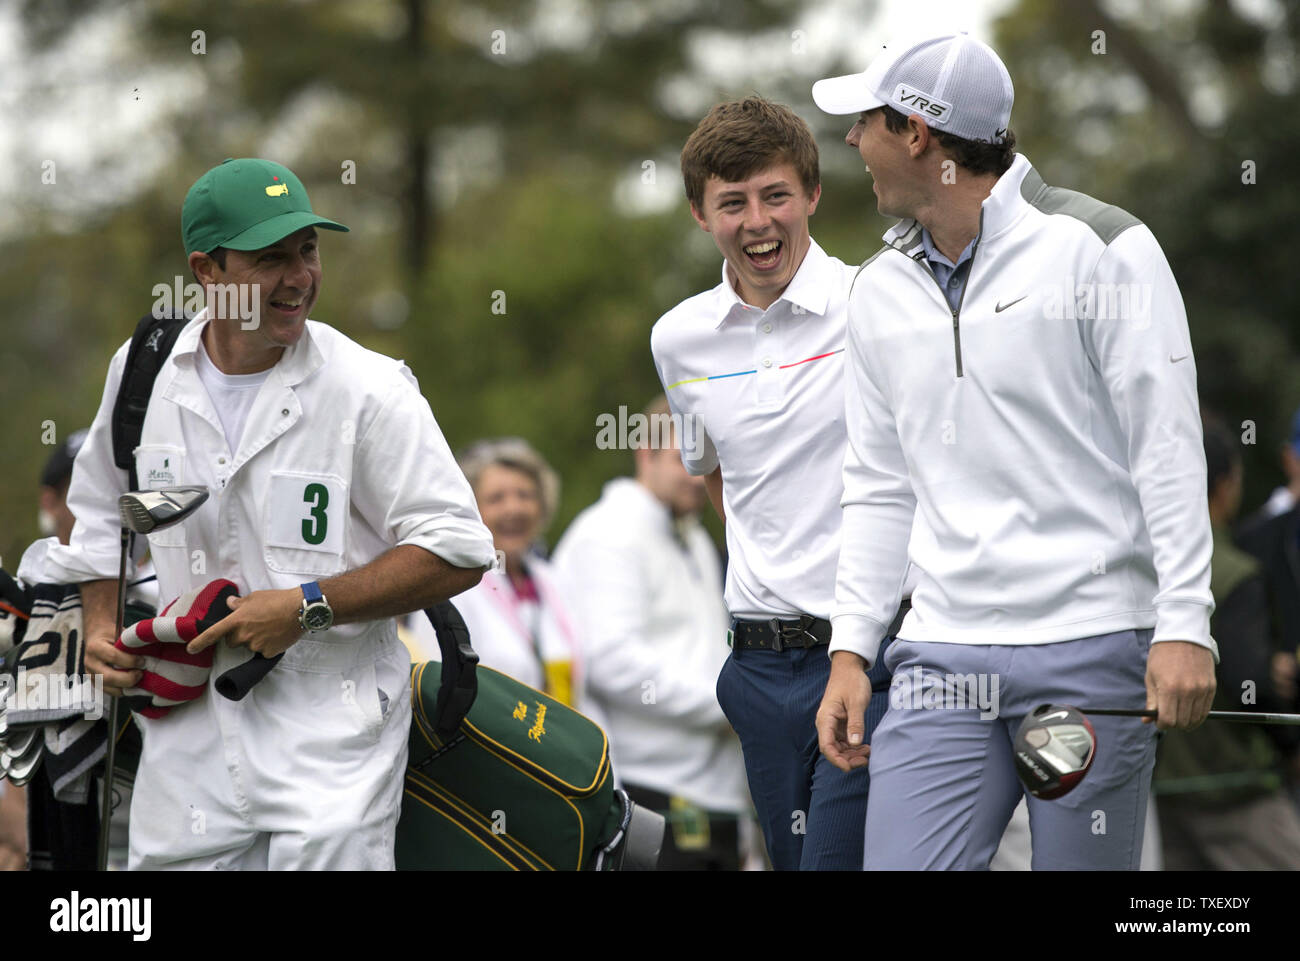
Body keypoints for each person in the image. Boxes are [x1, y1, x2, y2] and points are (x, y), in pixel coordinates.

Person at [812, 32, 1217, 870]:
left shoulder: (1104, 249)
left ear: (917, 132)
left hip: (1090, 646)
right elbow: (880, 485)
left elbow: (1167, 449)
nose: (853, 142)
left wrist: (1185, 622)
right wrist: (852, 647)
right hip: (939, 657)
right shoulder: (876, 290)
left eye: (866, 123)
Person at [43, 157, 495, 870]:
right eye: (270, 258)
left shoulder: (370, 389)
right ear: (207, 270)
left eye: (308, 250)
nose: (300, 275)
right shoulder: (142, 367)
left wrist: (307, 604)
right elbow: (99, 507)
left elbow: (461, 547)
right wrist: (99, 620)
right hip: (184, 752)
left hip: (331, 756)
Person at [650, 96, 902, 871]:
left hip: (866, 658)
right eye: (732, 203)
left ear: (813, 195)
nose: (757, 221)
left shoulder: (877, 302)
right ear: (701, 214)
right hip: (758, 673)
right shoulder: (677, 337)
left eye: (774, 195)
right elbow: (719, 480)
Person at [554, 395, 750, 869]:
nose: (698, 473)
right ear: (645, 452)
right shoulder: (608, 532)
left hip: (718, 793)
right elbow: (612, 662)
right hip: (646, 791)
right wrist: (732, 702)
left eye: (708, 460)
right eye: (686, 457)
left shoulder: (697, 538)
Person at [1153, 415, 1300, 869]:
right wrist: (1289, 745)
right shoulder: (1235, 570)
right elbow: (1248, 684)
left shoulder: (1142, 570)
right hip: (1235, 784)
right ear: (1222, 485)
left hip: (1162, 788)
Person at [403, 438, 583, 708]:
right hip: (489, 745)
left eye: (525, 495)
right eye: (496, 498)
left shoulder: (555, 580)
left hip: (560, 741)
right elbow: (432, 685)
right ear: (471, 509)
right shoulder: (449, 586)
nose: (514, 508)